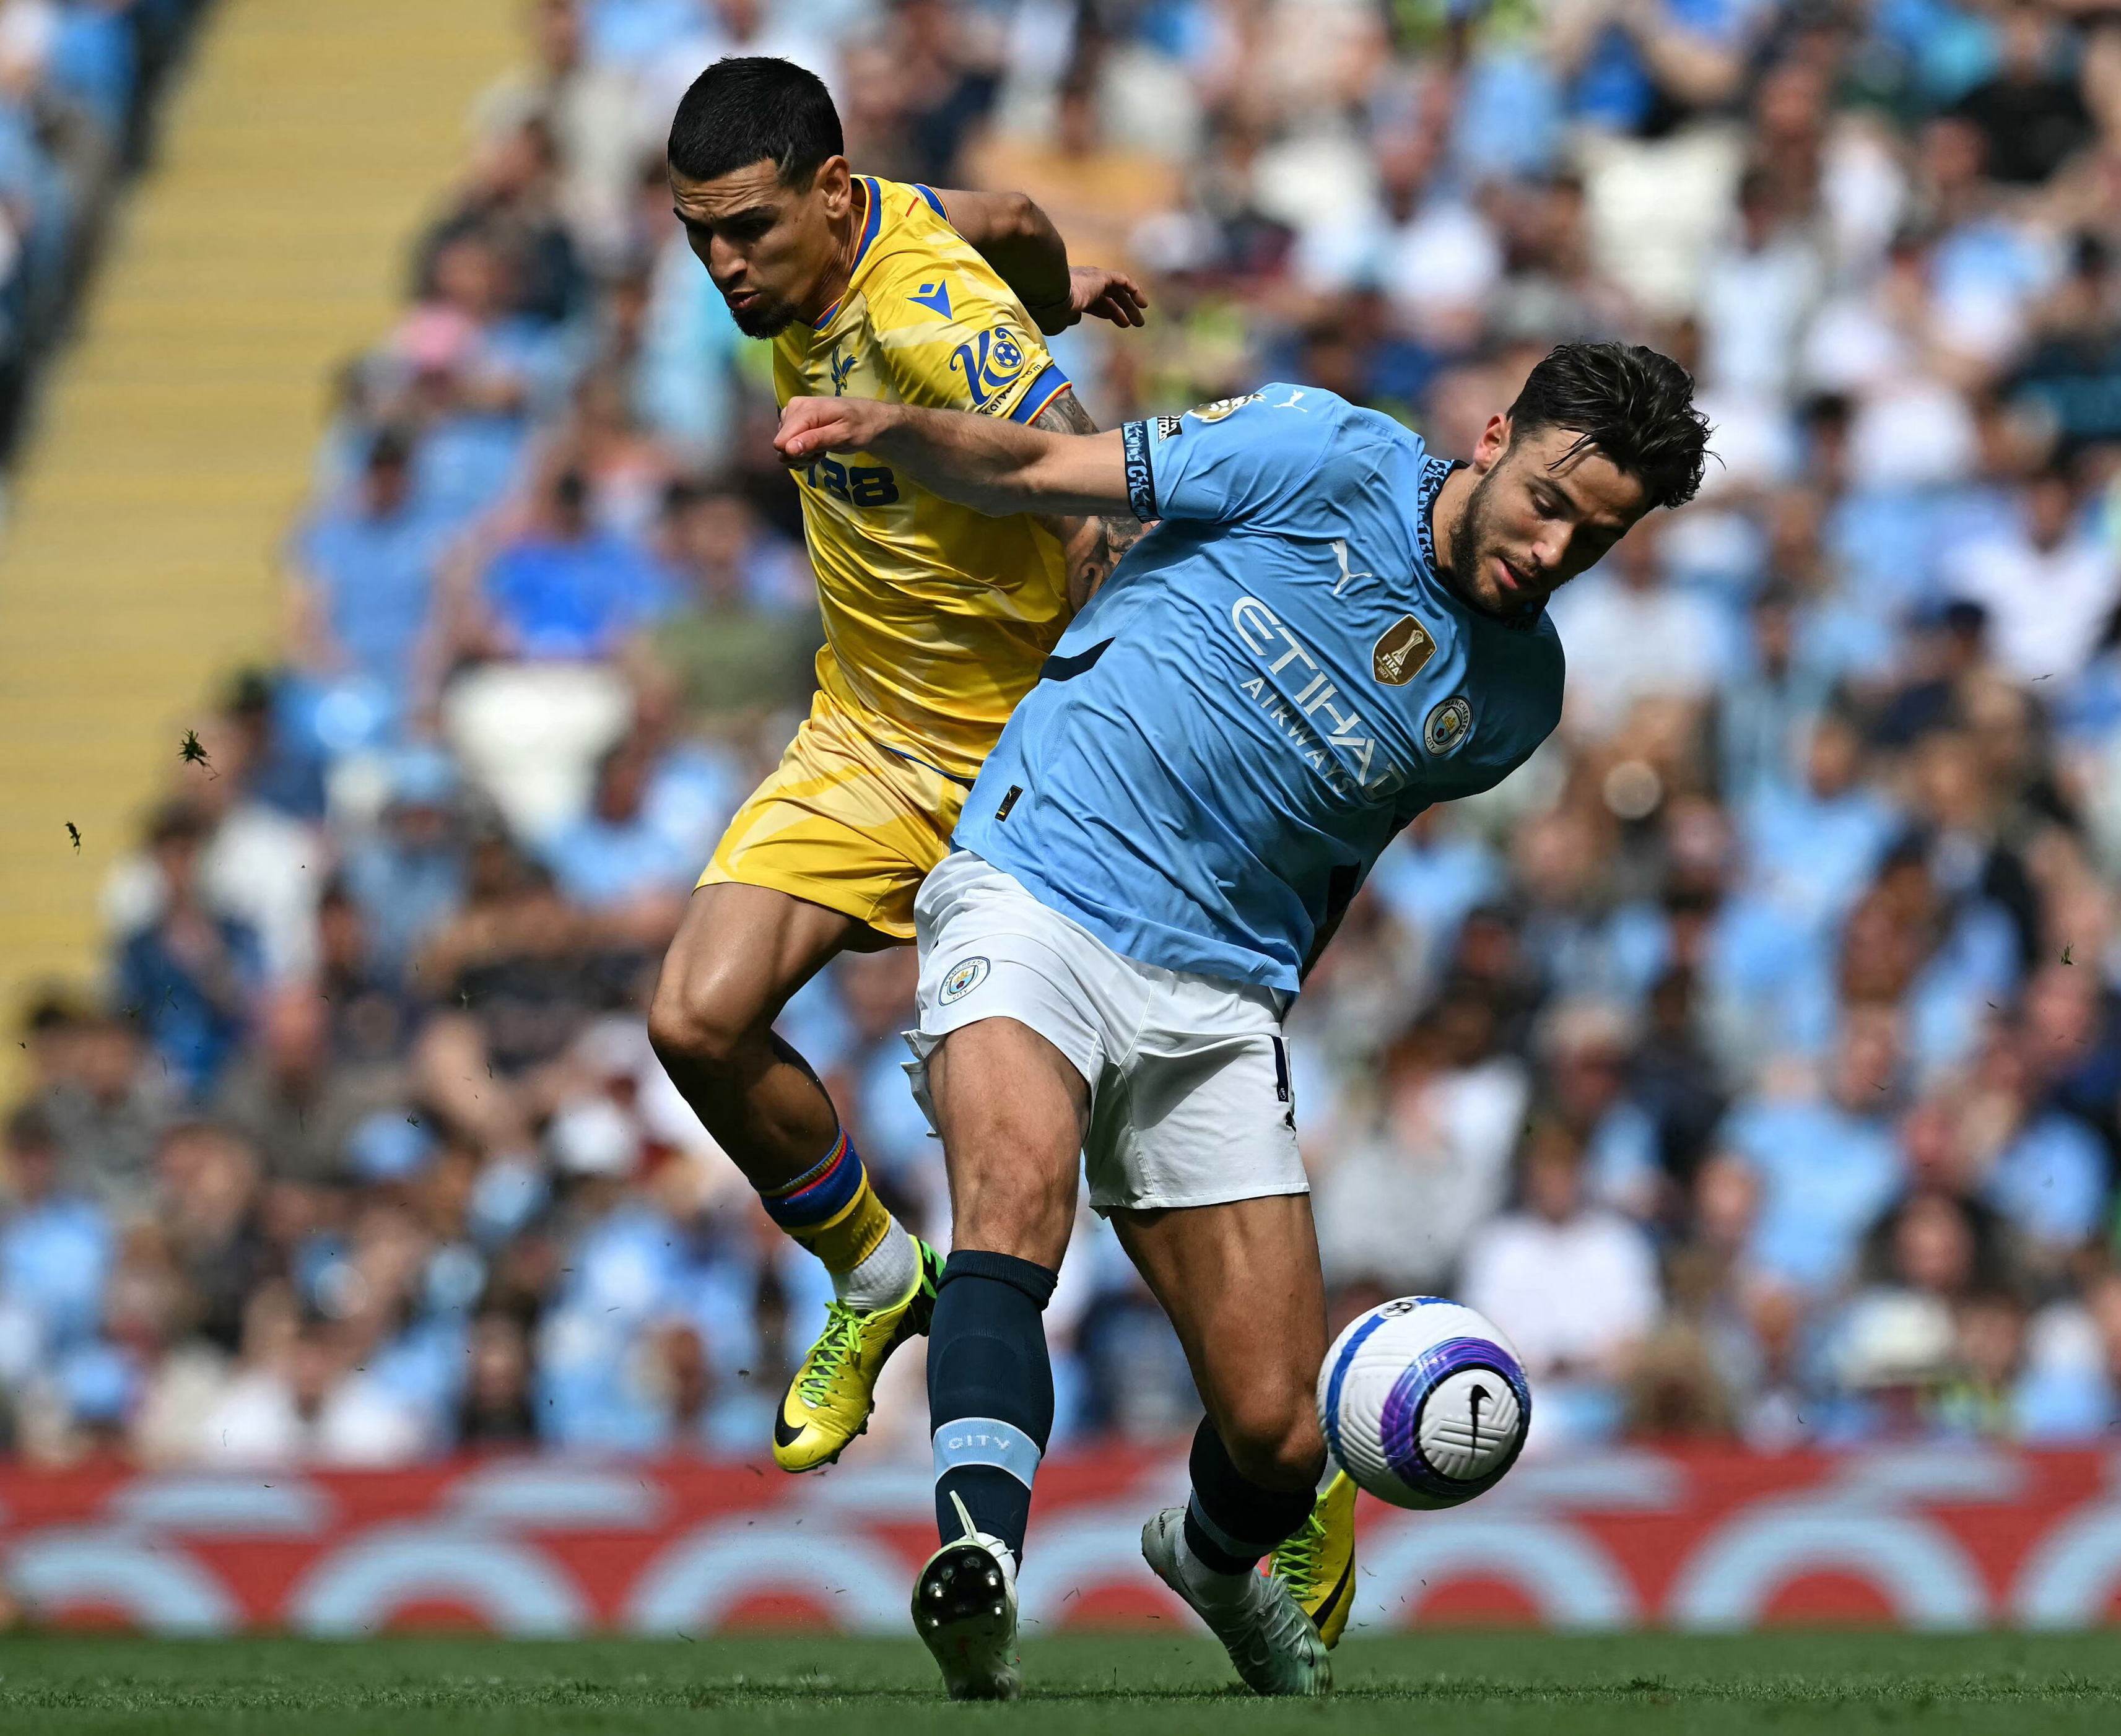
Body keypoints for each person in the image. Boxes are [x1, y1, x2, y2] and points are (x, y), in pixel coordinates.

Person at [766, 341, 1709, 1695]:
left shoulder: (1515, 701)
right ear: (1495, 435)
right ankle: (982, 1571)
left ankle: (1209, 1562)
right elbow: (1041, 469)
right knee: (1014, 1203)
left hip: (1219, 993)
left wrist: (1268, 1001)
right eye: (1551, 502)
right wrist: (888, 428)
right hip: (1039, 881)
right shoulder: (1321, 455)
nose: (1557, 549)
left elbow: (1341, 856)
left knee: (1274, 1430)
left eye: (1598, 539)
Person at [640, 57, 1151, 1476]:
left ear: (831, 193)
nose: (726, 268)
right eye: (699, 236)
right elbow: (1009, 211)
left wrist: (1020, 341)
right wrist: (1060, 287)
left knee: (1091, 1174)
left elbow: (1087, 485)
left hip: (1022, 770)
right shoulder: (867, 229)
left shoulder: (930, 324)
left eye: (747, 230)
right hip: (868, 733)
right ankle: (874, 1281)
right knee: (695, 1019)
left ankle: (1277, 1441)